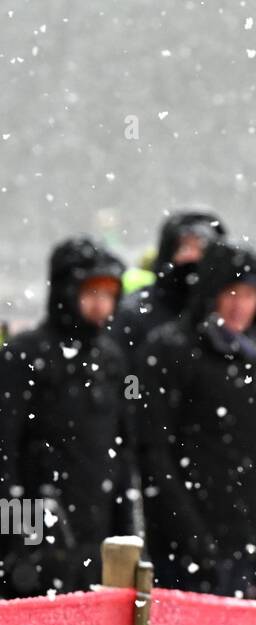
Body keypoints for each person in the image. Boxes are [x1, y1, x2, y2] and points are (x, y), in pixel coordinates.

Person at [135, 239, 256, 597]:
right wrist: (190, 534)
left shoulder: (251, 361)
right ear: (211, 293)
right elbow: (153, 451)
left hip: (240, 541)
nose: (239, 305)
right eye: (231, 292)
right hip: (184, 542)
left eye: (248, 294)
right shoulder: (169, 350)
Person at [0, 237, 132, 596]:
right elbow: (5, 452)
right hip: (35, 534)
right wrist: (16, 543)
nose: (101, 304)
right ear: (66, 291)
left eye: (109, 293)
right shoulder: (23, 354)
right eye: (91, 291)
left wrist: (124, 535)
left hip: (95, 539)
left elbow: (121, 456)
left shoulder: (112, 360)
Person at [111, 209, 228, 363]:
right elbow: (126, 377)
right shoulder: (135, 313)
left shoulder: (228, 308)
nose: (193, 256)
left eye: (202, 249)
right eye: (185, 247)